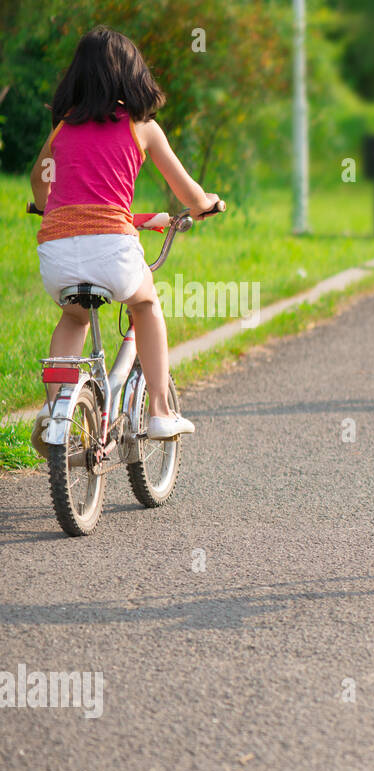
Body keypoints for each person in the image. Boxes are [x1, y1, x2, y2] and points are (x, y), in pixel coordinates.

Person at [28, 26, 222, 452]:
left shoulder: (62, 129)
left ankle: (59, 405)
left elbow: (39, 184)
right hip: (111, 248)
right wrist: (205, 202)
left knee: (74, 316)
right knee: (147, 304)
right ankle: (159, 411)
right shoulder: (142, 127)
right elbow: (188, 195)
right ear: (131, 76)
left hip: (56, 252)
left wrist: (46, 206)